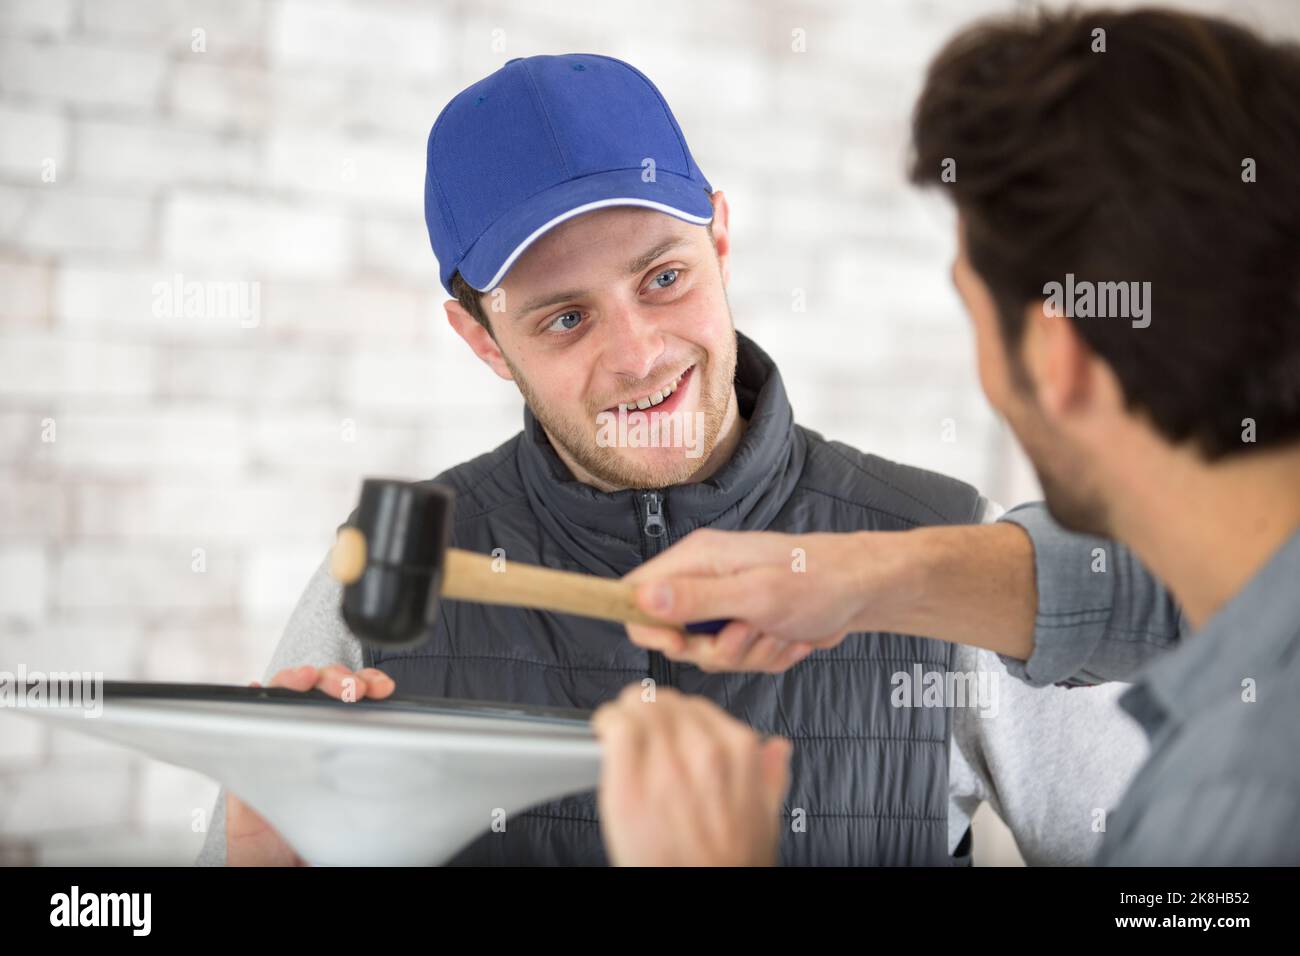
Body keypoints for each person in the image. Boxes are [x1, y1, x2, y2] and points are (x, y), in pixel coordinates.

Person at [199, 53, 1148, 867]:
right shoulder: (376, 571)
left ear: (720, 241)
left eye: (663, 278)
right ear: (484, 341)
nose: (640, 354)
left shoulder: (954, 553)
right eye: (565, 317)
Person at [613, 7, 1300, 865]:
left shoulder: (1231, 807)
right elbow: (1163, 593)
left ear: (1058, 357)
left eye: (972, 309)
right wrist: (862, 576)